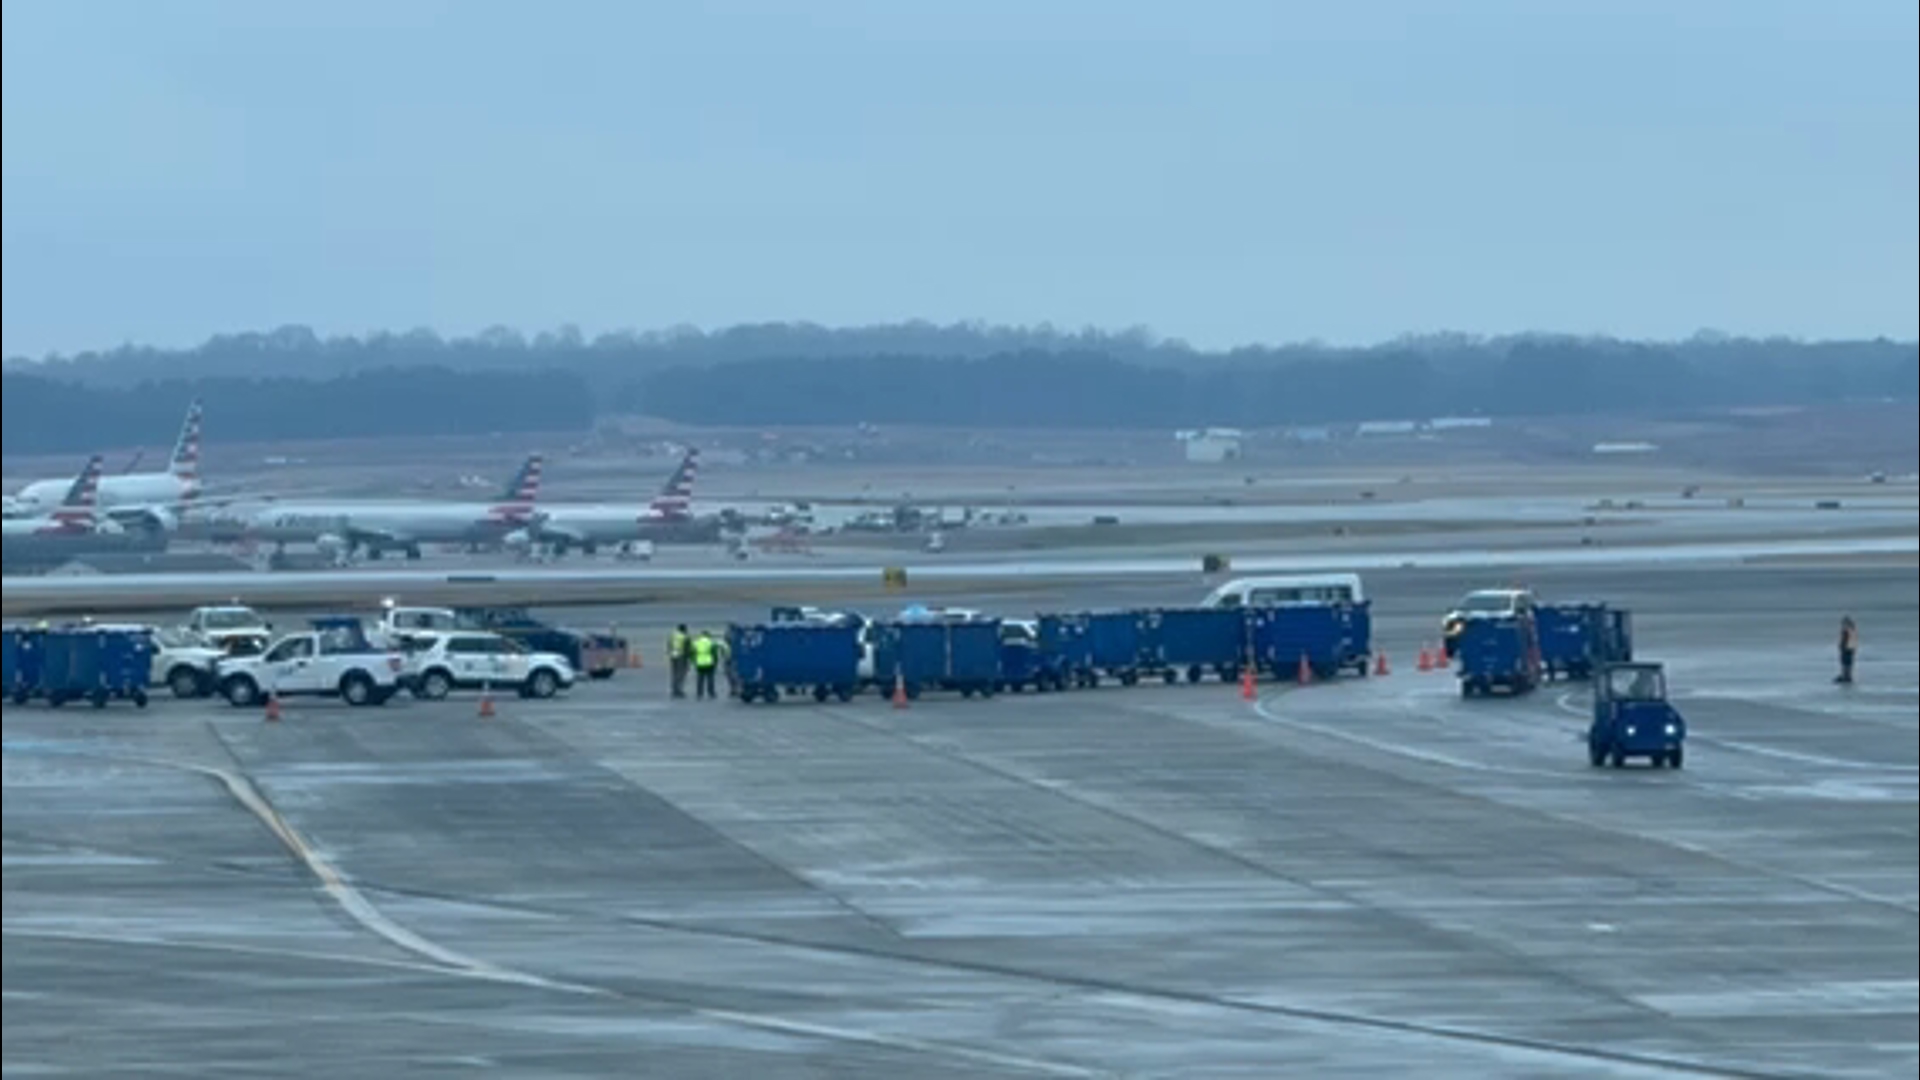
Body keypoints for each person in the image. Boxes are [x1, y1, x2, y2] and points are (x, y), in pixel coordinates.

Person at [691, 629, 718, 700]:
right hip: (709, 662)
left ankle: (699, 693)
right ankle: (711, 693)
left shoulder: (696, 642)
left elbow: (693, 653)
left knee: (700, 679)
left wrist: (694, 661)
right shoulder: (711, 642)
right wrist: (715, 662)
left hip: (699, 663)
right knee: (710, 679)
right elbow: (714, 653)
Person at [667, 624, 690, 698]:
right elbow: (687, 648)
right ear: (684, 630)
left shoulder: (672, 636)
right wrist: (688, 658)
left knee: (674, 673)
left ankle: (674, 689)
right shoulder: (685, 637)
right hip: (681, 656)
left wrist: (670, 653)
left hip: (673, 655)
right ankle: (679, 689)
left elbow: (669, 645)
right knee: (681, 674)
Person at [1837, 615, 1858, 684]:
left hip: (1847, 648)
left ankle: (1846, 676)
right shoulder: (1853, 629)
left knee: (1845, 663)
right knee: (1847, 663)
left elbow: (1845, 639)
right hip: (1851, 648)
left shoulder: (1847, 630)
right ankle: (1847, 676)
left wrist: (1841, 646)